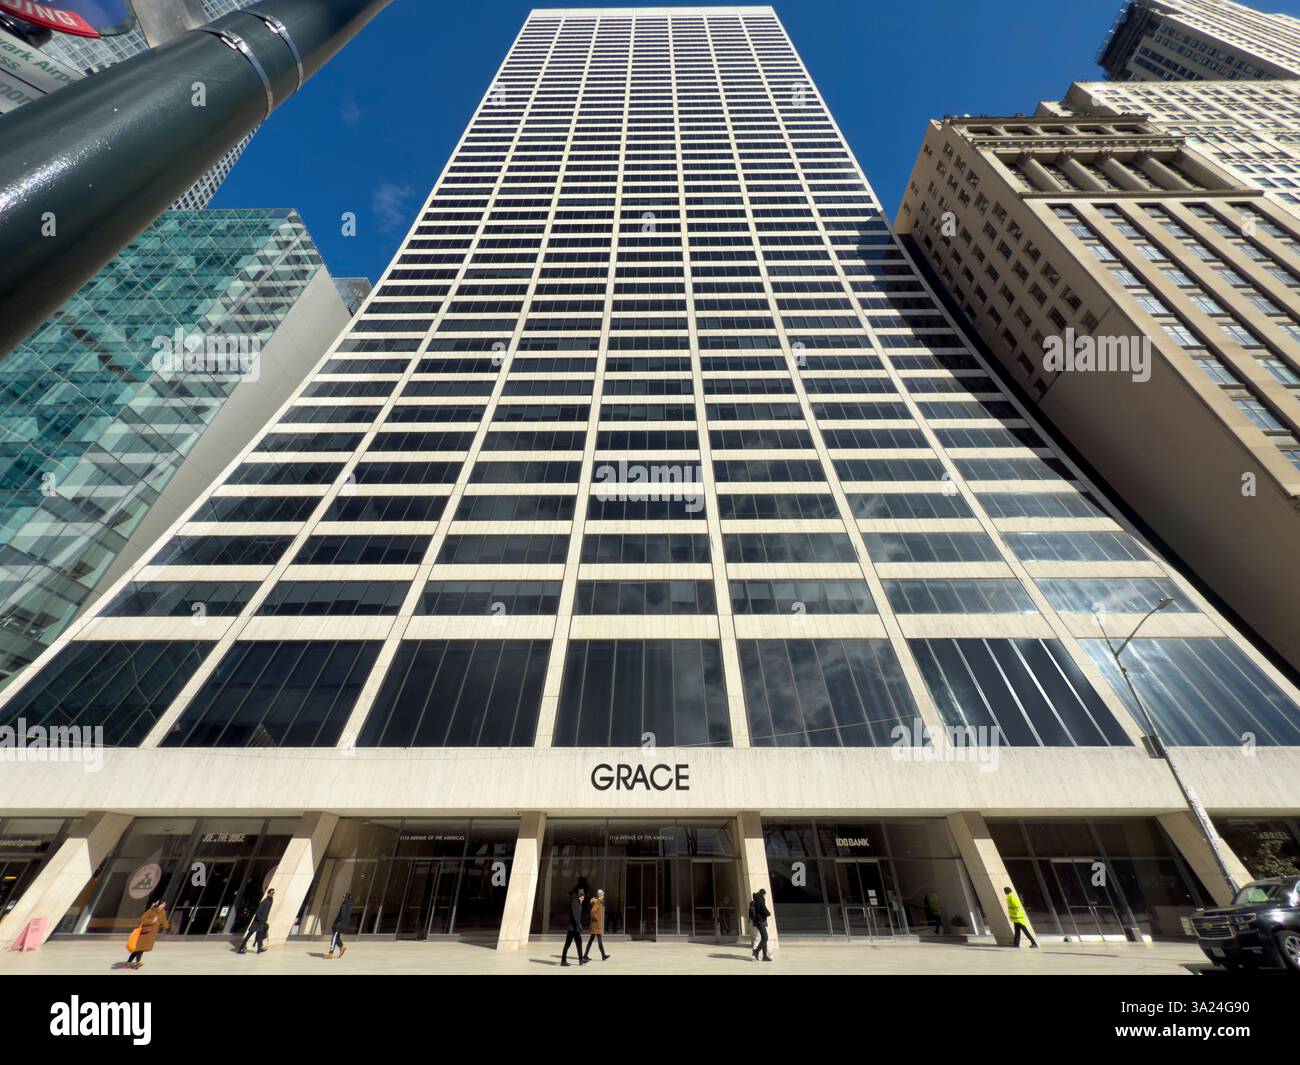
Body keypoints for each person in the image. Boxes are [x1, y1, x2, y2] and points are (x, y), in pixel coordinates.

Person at [125, 900, 169, 970]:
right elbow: (141, 920)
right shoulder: (151, 911)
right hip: (144, 933)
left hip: (151, 934)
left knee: (141, 949)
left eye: (164, 905)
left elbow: (164, 920)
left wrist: (166, 927)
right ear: (158, 904)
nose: (163, 906)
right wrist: (151, 921)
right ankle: (136, 962)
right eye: (162, 905)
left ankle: (130, 962)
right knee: (139, 949)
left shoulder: (163, 912)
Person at [237, 887, 275, 954]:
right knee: (249, 934)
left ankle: (259, 949)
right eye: (272, 893)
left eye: (273, 893)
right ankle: (240, 948)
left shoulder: (270, 901)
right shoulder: (264, 902)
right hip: (257, 922)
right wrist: (261, 919)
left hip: (262, 922)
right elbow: (257, 912)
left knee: (260, 935)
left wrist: (264, 920)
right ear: (268, 893)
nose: (273, 894)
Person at [561, 886, 587, 967]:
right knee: (568, 944)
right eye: (582, 897)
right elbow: (575, 915)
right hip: (573, 928)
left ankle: (580, 960)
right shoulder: (575, 902)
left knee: (579, 943)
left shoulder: (577, 902)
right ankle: (564, 961)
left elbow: (577, 915)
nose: (582, 899)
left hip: (575, 928)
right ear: (579, 896)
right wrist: (579, 925)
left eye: (583, 897)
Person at [584, 888, 610, 962]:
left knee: (591, 940)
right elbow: (592, 912)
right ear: (600, 896)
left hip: (595, 925)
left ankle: (585, 955)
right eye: (603, 895)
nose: (603, 897)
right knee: (599, 940)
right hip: (596, 925)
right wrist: (597, 919)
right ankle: (603, 955)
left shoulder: (598, 902)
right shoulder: (597, 903)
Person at [326, 893, 353, 959]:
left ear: (347, 898)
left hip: (340, 924)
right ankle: (342, 946)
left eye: (344, 897)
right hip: (343, 924)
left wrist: (337, 922)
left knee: (334, 937)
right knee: (336, 936)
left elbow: (342, 915)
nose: (343, 898)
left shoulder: (345, 905)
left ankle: (330, 953)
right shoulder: (349, 905)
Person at [749, 888, 772, 962]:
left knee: (763, 938)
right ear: (763, 894)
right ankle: (756, 951)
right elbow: (763, 909)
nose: (765, 896)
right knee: (765, 938)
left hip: (758, 921)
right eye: (765, 894)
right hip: (760, 921)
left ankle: (765, 956)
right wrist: (768, 913)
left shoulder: (756, 899)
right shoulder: (761, 899)